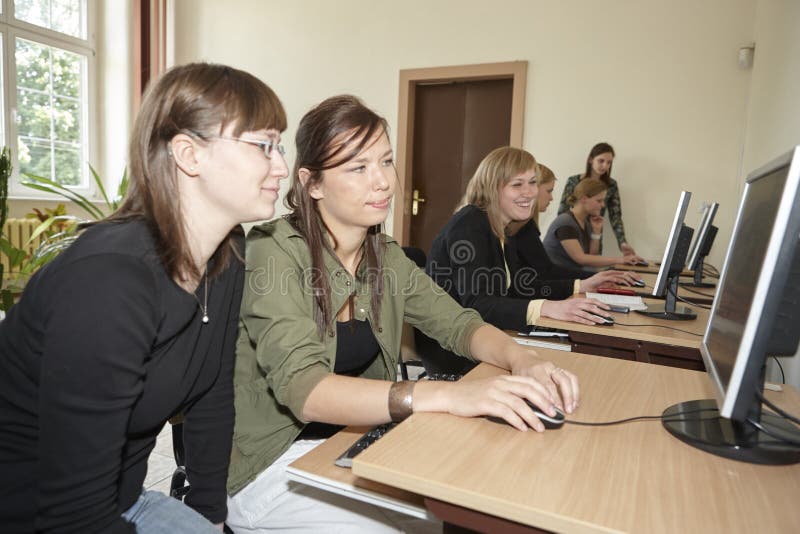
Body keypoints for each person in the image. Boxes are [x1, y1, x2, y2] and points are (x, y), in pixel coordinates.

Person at [227, 95, 579, 533]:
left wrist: (524, 359)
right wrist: (446, 397)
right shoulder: (274, 250)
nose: (383, 182)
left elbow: (458, 323)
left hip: (349, 440)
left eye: (386, 161)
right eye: (357, 168)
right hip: (270, 465)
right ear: (311, 183)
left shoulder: (383, 255)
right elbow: (306, 389)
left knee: (462, 508)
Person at [0, 62, 289, 533]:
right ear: (188, 154)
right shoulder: (108, 281)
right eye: (263, 145)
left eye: (279, 145)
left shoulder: (227, 254)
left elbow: (211, 395)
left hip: (122, 497)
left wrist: (210, 515)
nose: (281, 165)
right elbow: (71, 515)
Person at [427, 148, 636, 336]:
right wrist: (546, 307)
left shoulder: (502, 227)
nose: (530, 193)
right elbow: (477, 304)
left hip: (483, 334)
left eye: (533, 182)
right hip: (451, 344)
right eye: (517, 184)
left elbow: (520, 286)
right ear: (491, 188)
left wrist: (580, 285)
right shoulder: (469, 224)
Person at [544, 177, 645, 272]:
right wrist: (621, 260)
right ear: (584, 199)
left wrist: (596, 232)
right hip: (558, 280)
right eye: (599, 201)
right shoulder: (565, 223)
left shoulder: (585, 222)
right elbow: (581, 258)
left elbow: (592, 258)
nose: (603, 205)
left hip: (571, 276)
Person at [558, 142, 637, 255]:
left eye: (609, 162)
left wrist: (622, 242)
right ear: (591, 160)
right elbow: (562, 211)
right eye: (601, 161)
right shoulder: (573, 181)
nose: (605, 166)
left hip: (595, 235)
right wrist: (563, 235)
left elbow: (616, 217)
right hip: (572, 236)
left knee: (593, 268)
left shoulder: (611, 185)